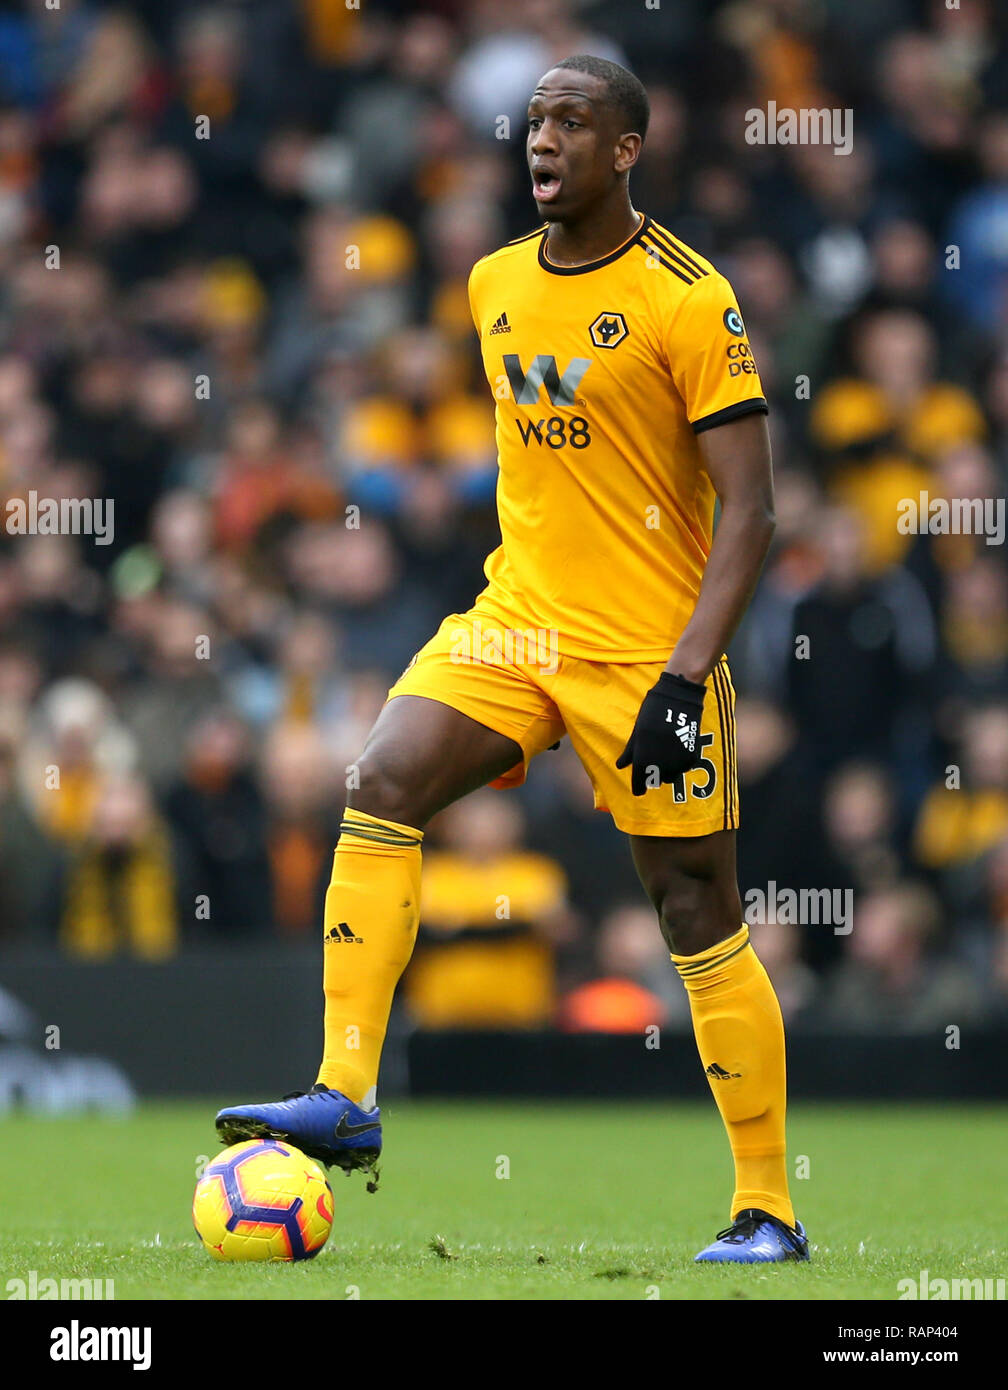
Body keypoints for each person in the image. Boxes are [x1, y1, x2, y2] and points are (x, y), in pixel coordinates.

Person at [216, 54, 808, 1265]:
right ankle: (347, 1094)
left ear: (628, 148)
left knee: (695, 908)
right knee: (379, 779)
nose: (543, 140)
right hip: (515, 622)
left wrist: (687, 677)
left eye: (573, 122)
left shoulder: (690, 298)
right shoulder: (490, 285)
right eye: (535, 120)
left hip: (649, 651)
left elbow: (752, 513)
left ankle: (767, 1207)